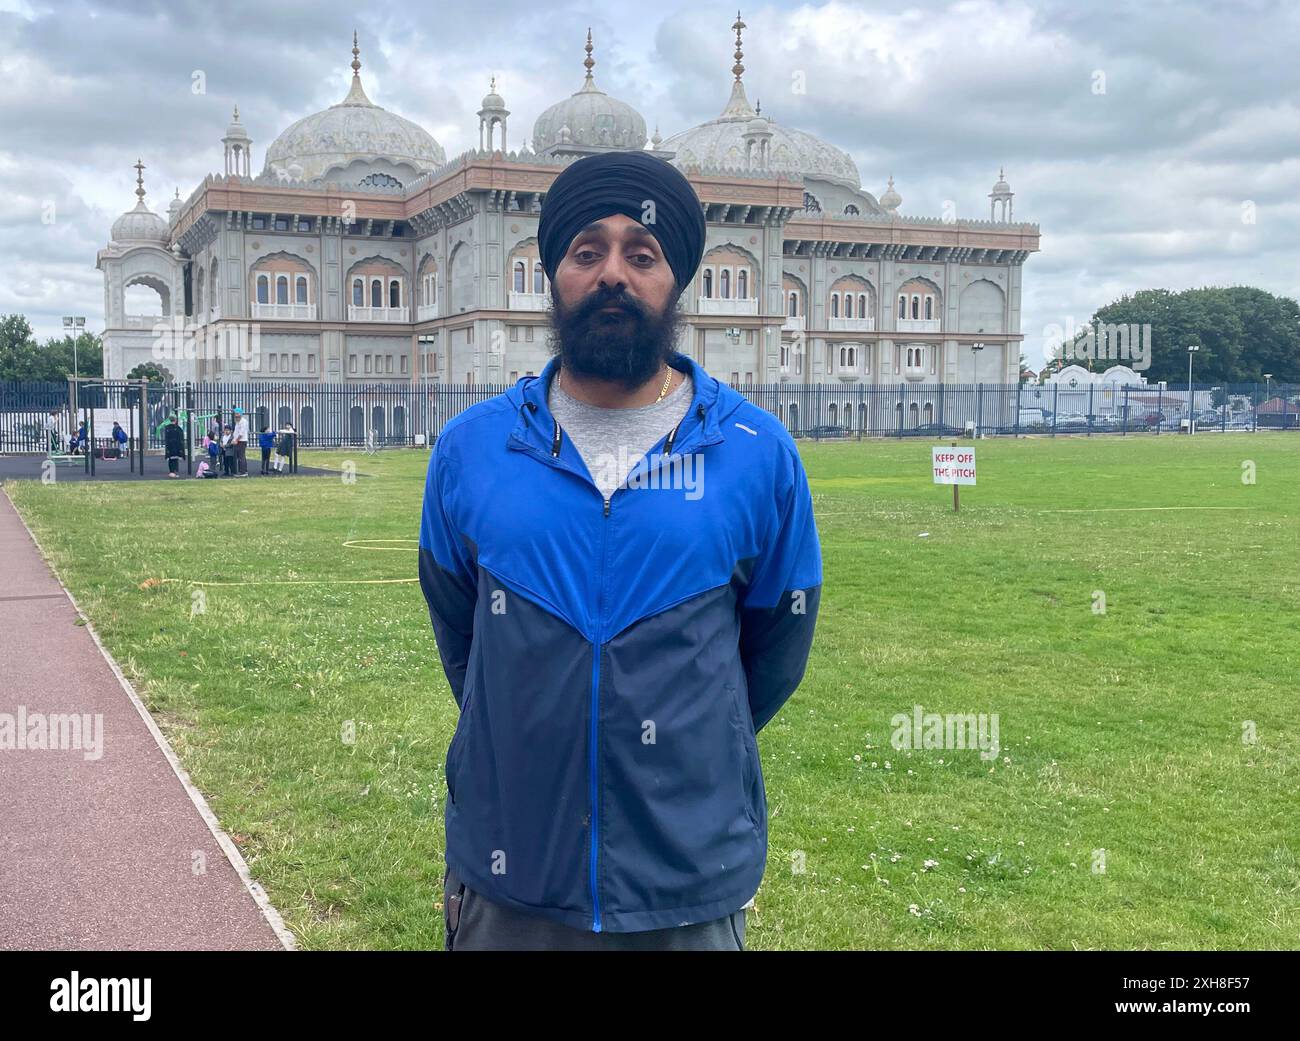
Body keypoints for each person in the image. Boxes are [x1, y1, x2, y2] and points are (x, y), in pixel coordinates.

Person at [420, 150, 822, 951]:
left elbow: (774, 650)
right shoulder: (474, 450)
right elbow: (465, 637)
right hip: (513, 877)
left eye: (642, 254)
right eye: (587, 251)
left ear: (676, 281)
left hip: (684, 883)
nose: (614, 274)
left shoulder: (753, 451)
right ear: (551, 274)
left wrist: (693, 735)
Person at [232, 407, 249, 477]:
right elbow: (236, 432)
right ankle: (242, 471)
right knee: (240, 456)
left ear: (240, 414)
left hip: (241, 441)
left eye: (237, 413)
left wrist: (236, 440)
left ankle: (243, 472)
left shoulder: (243, 421)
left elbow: (241, 433)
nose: (236, 415)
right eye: (235, 413)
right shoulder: (237, 421)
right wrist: (234, 439)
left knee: (241, 456)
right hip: (238, 441)